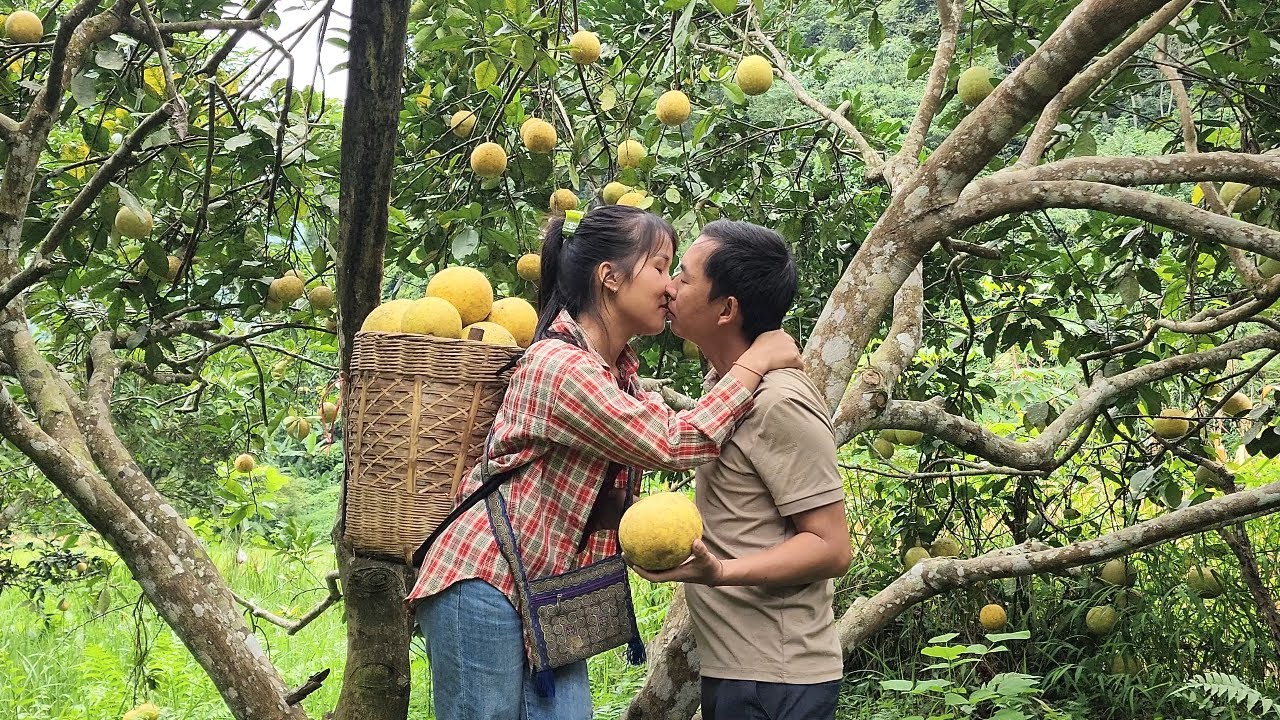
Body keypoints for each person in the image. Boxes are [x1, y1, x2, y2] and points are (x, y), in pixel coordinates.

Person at [407, 205, 803, 720]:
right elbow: (675, 441)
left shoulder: (620, 375)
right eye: (661, 268)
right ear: (610, 277)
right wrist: (757, 359)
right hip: (487, 580)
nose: (671, 288)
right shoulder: (560, 366)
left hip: (549, 595)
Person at [632, 220, 852, 720]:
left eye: (683, 278)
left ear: (727, 309)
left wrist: (721, 572)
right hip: (742, 669)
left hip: (775, 675)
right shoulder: (727, 389)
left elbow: (831, 546)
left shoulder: (777, 401)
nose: (669, 286)